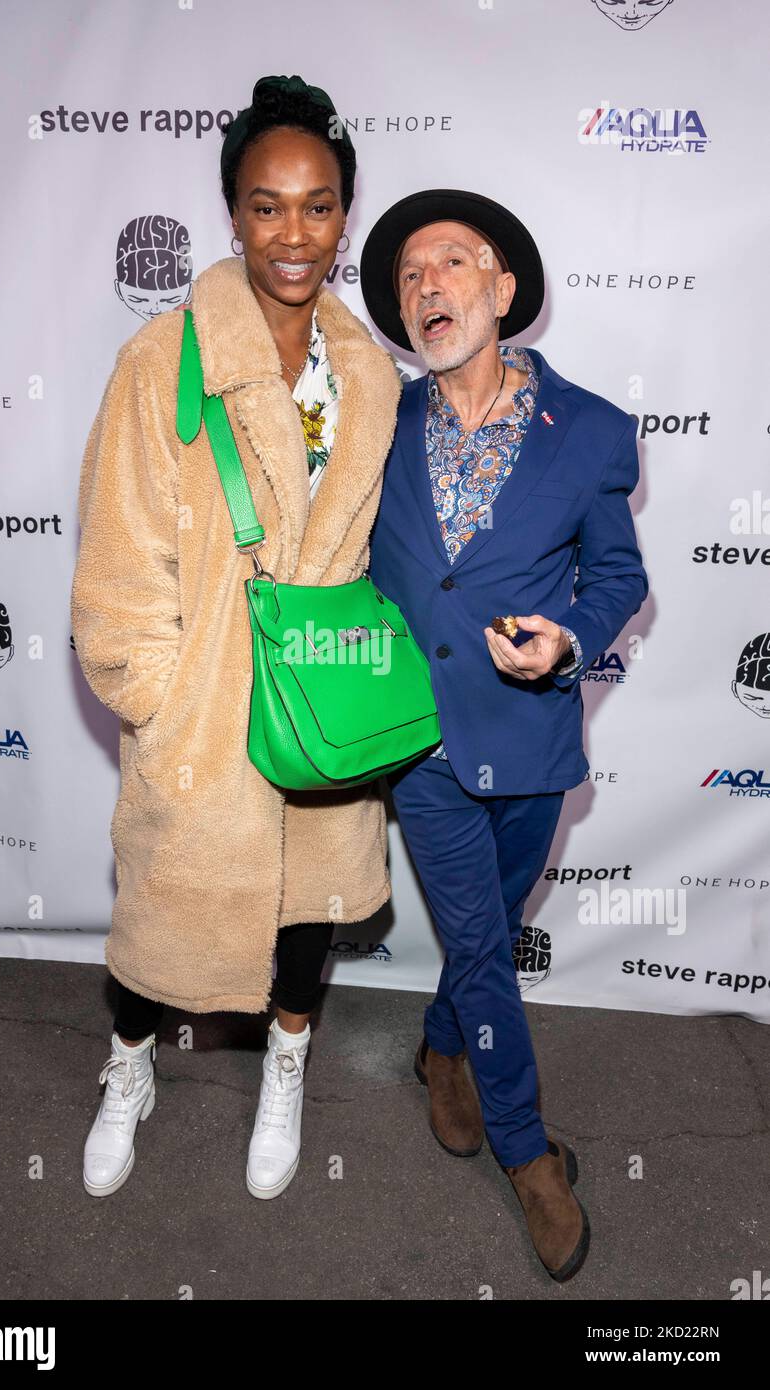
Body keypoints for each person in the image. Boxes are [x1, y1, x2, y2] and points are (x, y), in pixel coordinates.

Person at [70, 74, 401, 1201]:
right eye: (267, 205)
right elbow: (118, 557)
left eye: (315, 205)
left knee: (304, 919)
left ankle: (287, 1067)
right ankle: (127, 1069)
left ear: (344, 215)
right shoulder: (162, 362)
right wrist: (153, 698)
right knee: (157, 923)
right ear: (233, 214)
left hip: (319, 702)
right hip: (202, 714)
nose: (292, 232)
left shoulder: (370, 377)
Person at [359, 189, 649, 1281]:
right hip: (418, 739)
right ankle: (529, 1155)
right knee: (483, 946)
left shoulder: (585, 432)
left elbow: (616, 575)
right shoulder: (372, 423)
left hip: (528, 738)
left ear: (502, 289)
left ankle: (440, 1046)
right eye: (406, 276)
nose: (426, 284)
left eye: (450, 263)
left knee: (484, 935)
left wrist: (567, 641)